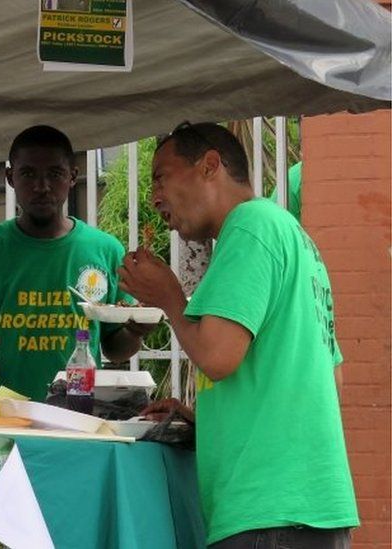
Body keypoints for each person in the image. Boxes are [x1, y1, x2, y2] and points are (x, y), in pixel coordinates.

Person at [120, 122, 357, 548]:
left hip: (269, 512)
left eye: (161, 177)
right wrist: (210, 422)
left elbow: (216, 356)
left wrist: (169, 297)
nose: (155, 198)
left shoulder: (248, 227)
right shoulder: (293, 238)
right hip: (309, 505)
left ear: (210, 166)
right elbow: (329, 379)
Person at [0, 125, 151, 402]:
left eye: (54, 174)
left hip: (80, 415)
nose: (41, 186)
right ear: (10, 177)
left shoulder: (105, 250)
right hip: (1, 415)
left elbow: (116, 348)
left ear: (72, 177)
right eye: (28, 173)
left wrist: (134, 332)